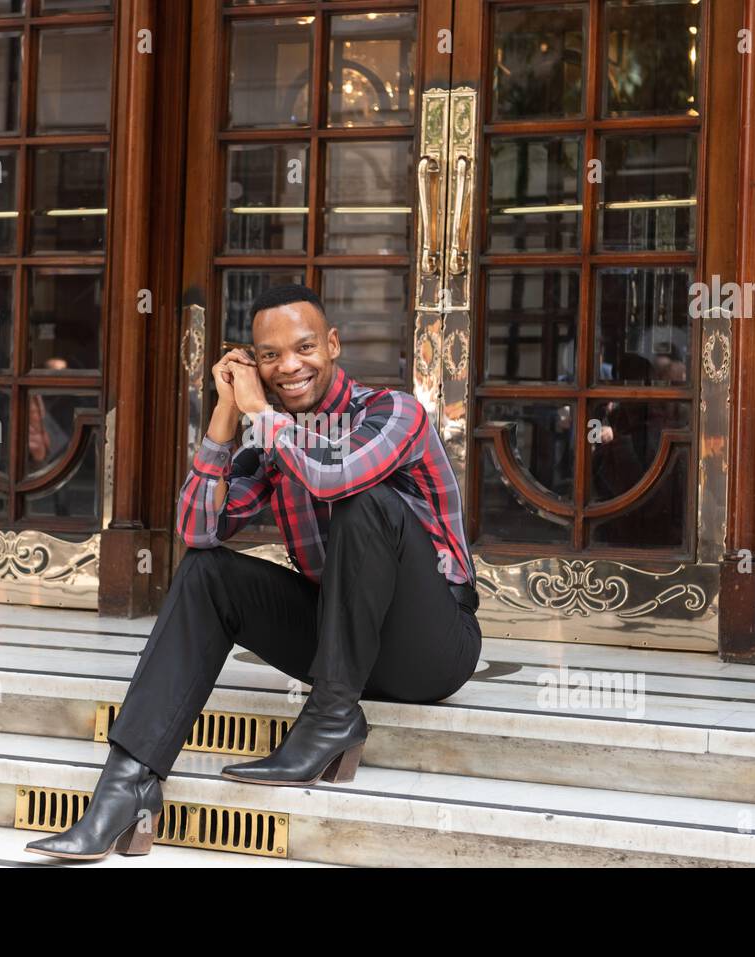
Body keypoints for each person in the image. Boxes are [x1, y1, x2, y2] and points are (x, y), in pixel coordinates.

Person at [25, 284, 483, 862]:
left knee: (367, 500)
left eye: (304, 348)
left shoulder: (393, 412)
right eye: (270, 356)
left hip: (429, 648)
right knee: (206, 572)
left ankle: (331, 718)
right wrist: (223, 415)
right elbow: (197, 530)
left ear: (333, 345)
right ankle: (126, 787)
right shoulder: (269, 440)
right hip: (338, 634)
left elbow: (332, 477)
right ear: (256, 365)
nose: (289, 366)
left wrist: (261, 415)